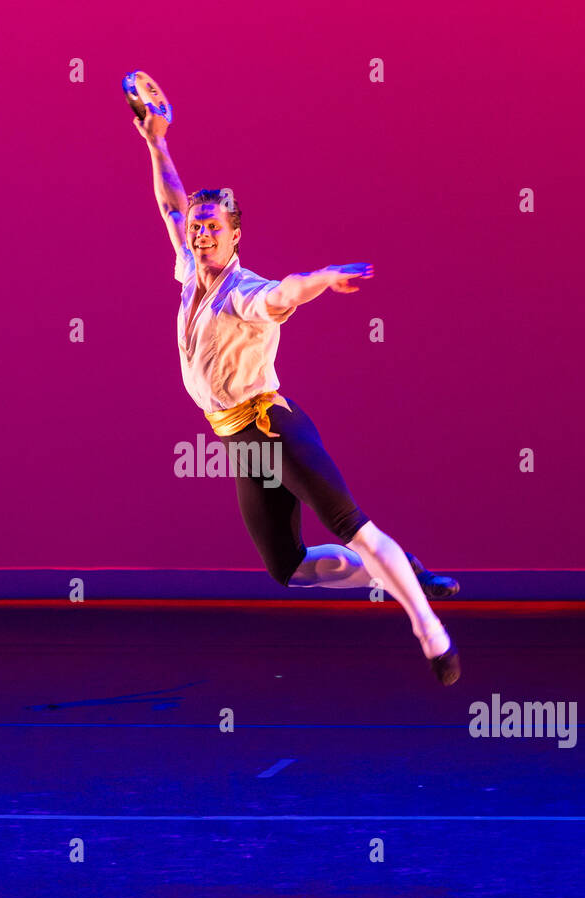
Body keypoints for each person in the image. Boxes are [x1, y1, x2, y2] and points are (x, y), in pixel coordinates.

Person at [134, 107, 462, 685]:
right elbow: (170, 201)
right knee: (286, 567)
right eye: (198, 226)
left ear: (236, 235)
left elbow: (285, 292)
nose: (201, 232)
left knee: (351, 525)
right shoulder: (188, 272)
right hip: (239, 441)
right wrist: (158, 144)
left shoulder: (244, 292)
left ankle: (429, 630)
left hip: (272, 428)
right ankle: (400, 571)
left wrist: (323, 278)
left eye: (214, 227)